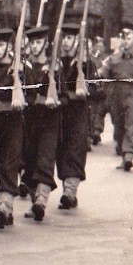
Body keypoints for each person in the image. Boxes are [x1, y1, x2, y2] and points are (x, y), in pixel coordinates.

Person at [54, 16, 97, 210]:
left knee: (75, 150)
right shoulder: (54, 62)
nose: (65, 42)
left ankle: (69, 192)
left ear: (76, 42)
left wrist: (84, 89)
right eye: (63, 38)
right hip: (58, 112)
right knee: (59, 151)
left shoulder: (85, 64)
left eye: (69, 38)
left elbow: (96, 89)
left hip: (77, 112)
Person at [0, 29, 24, 230]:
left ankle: (4, 206)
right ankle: (3, 204)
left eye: (1, 45)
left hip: (12, 121)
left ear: (9, 47)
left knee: (9, 162)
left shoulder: (17, 69)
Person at [100, 25, 133, 171]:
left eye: (129, 38)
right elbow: (105, 74)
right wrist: (100, 71)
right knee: (119, 125)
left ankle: (129, 154)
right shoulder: (114, 58)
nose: (126, 41)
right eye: (123, 38)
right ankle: (123, 153)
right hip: (117, 95)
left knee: (131, 124)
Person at [21, 26, 61, 221]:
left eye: (39, 42)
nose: (35, 46)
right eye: (32, 43)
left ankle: (41, 200)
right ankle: (34, 200)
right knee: (30, 162)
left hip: (50, 122)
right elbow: (23, 96)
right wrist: (40, 100)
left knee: (45, 160)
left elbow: (64, 95)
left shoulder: (54, 68)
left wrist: (56, 100)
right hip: (29, 122)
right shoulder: (24, 68)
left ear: (46, 44)